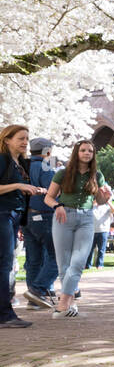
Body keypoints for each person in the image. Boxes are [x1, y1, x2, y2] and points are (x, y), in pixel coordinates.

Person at [44, 139, 112, 318]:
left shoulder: (97, 175)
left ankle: (62, 305)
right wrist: (57, 206)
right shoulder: (63, 173)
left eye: (90, 151)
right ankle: (71, 304)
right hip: (63, 216)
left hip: (87, 218)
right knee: (64, 264)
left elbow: (101, 200)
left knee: (78, 262)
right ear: (77, 153)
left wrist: (106, 196)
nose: (87, 153)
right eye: (83, 150)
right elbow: (48, 197)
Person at [0, 125, 47, 328]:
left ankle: (6, 312)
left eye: (27, 138)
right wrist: (19, 186)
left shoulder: (19, 163)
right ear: (7, 139)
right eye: (20, 138)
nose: (25, 142)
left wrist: (30, 190)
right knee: (5, 264)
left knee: (8, 264)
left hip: (15, 215)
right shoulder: (2, 159)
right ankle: (4, 315)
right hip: (3, 214)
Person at [20, 136, 58, 309]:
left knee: (33, 259)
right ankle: (38, 290)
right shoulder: (45, 167)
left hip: (26, 217)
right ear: (47, 152)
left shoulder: (22, 166)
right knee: (56, 256)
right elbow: (53, 192)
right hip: (43, 215)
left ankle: (33, 299)